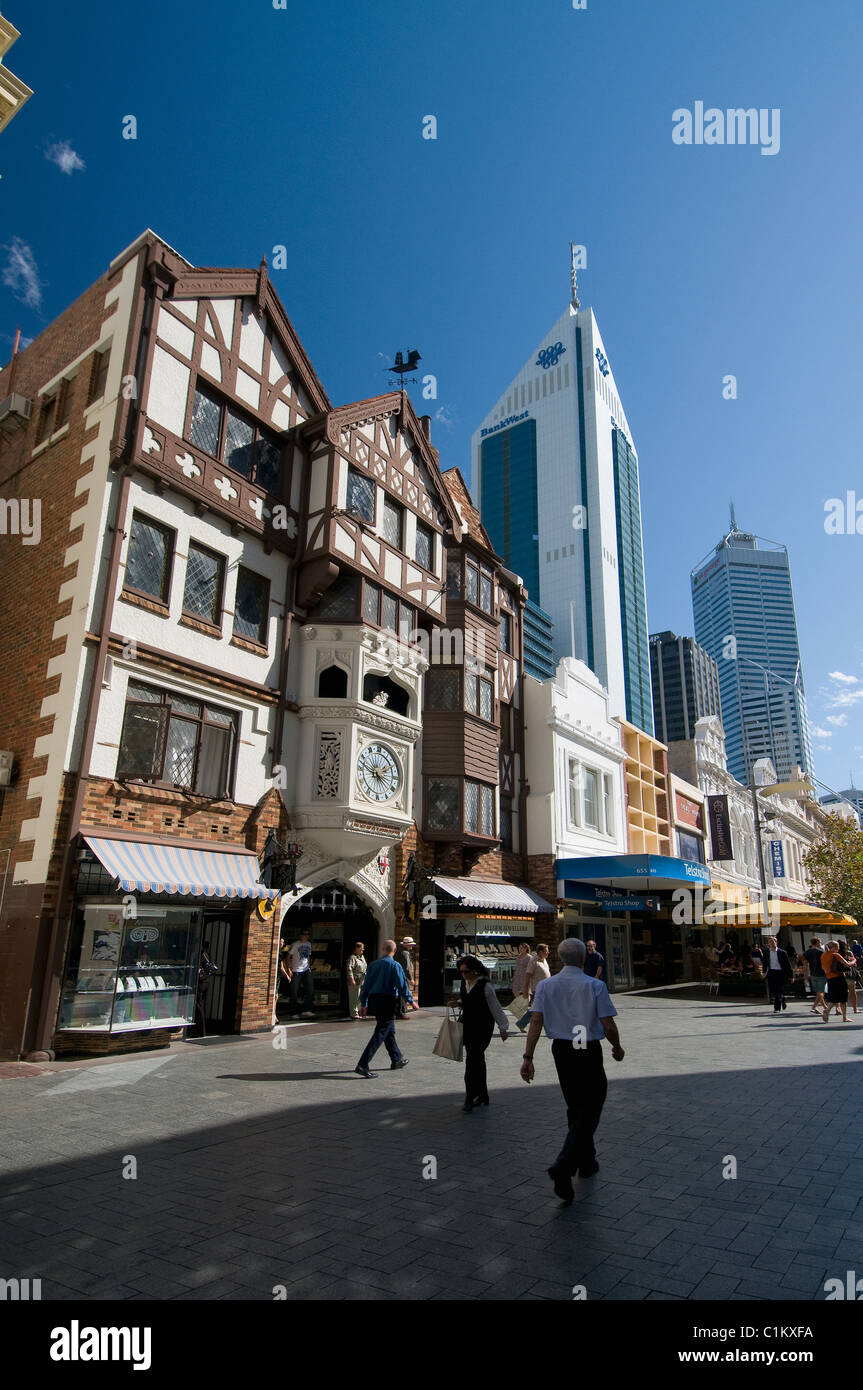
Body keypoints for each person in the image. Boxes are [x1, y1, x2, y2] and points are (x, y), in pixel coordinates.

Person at [520, 937, 624, 1204]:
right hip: (587, 1050)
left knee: (576, 1106)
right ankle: (564, 1165)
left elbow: (536, 1021)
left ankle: (586, 1161)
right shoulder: (595, 985)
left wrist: (528, 1057)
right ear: (582, 959)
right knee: (592, 1104)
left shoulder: (546, 986)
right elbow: (608, 1025)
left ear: (560, 958)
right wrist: (617, 1047)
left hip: (562, 1050)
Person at [354, 940, 417, 1077]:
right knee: (382, 1031)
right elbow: (401, 985)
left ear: (383, 950)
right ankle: (362, 1064)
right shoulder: (395, 965)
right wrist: (411, 1001)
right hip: (388, 999)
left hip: (375, 1000)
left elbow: (366, 985)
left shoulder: (373, 965)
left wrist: (363, 1003)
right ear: (394, 951)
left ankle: (396, 1058)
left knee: (389, 1030)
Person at [457, 955, 509, 1111]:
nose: (463, 975)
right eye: (461, 972)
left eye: (466, 972)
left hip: (482, 1027)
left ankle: (469, 1097)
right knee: (477, 1060)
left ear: (474, 971)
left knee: (472, 1059)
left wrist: (503, 1027)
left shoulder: (485, 986)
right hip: (467, 1026)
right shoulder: (464, 983)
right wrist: (459, 1003)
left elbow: (495, 1007)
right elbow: (468, 1002)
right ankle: (483, 1094)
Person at [516, 942, 551, 1033]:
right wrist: (526, 990)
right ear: (540, 951)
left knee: (537, 1009)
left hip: (546, 989)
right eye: (546, 951)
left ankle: (521, 1023)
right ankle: (548, 1028)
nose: (548, 953)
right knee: (540, 1009)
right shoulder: (534, 961)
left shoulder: (544, 960)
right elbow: (528, 975)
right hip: (538, 990)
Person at [820, 940, 856, 1024]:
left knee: (833, 997)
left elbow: (823, 968)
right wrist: (854, 960)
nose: (839, 948)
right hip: (839, 977)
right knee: (843, 998)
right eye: (838, 946)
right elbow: (847, 964)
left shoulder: (823, 955)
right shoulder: (835, 955)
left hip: (829, 978)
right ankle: (844, 1017)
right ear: (835, 947)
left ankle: (827, 1009)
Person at [287, 928, 315, 1018]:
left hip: (306, 970)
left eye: (308, 934)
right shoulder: (295, 944)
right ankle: (293, 1012)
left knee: (310, 989)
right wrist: (289, 968)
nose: (306, 936)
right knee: (294, 992)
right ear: (301, 935)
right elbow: (288, 956)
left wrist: (309, 967)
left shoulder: (309, 944)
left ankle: (306, 1010)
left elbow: (309, 956)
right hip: (296, 970)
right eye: (304, 934)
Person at [763, 936, 793, 1013]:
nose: (772, 943)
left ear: (776, 942)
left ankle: (777, 1008)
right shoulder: (766, 952)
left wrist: (791, 976)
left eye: (773, 942)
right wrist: (764, 972)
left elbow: (788, 965)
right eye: (770, 942)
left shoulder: (782, 952)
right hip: (771, 972)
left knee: (778, 990)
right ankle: (782, 999)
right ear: (768, 944)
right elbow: (765, 963)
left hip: (780, 973)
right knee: (773, 989)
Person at [395, 936, 417, 1017]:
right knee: (403, 994)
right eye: (410, 945)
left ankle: (398, 1011)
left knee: (400, 993)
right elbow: (407, 967)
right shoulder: (405, 953)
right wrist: (411, 978)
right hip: (403, 976)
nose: (411, 946)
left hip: (398, 976)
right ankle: (401, 1012)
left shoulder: (399, 951)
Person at [804, 937, 827, 1013]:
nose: (820, 943)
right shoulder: (821, 952)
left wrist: (806, 974)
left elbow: (805, 964)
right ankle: (814, 1006)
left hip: (812, 974)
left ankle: (824, 1006)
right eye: (820, 942)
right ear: (817, 943)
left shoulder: (807, 952)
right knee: (821, 991)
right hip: (821, 973)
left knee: (818, 992)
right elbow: (825, 963)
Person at [346, 941, 366, 1019]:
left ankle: (358, 1011)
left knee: (359, 997)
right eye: (361, 948)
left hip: (362, 980)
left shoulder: (362, 957)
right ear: (356, 948)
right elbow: (349, 968)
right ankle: (354, 1013)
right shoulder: (352, 957)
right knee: (354, 997)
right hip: (355, 979)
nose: (363, 950)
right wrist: (351, 978)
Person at [273, 937, 290, 1027]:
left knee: (276, 996)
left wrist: (287, 975)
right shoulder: (274, 951)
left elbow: (281, 966)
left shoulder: (280, 953)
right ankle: (273, 1014)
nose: (282, 943)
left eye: (283, 942)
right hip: (274, 975)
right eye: (281, 942)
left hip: (278, 976)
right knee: (275, 995)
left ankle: (274, 1014)